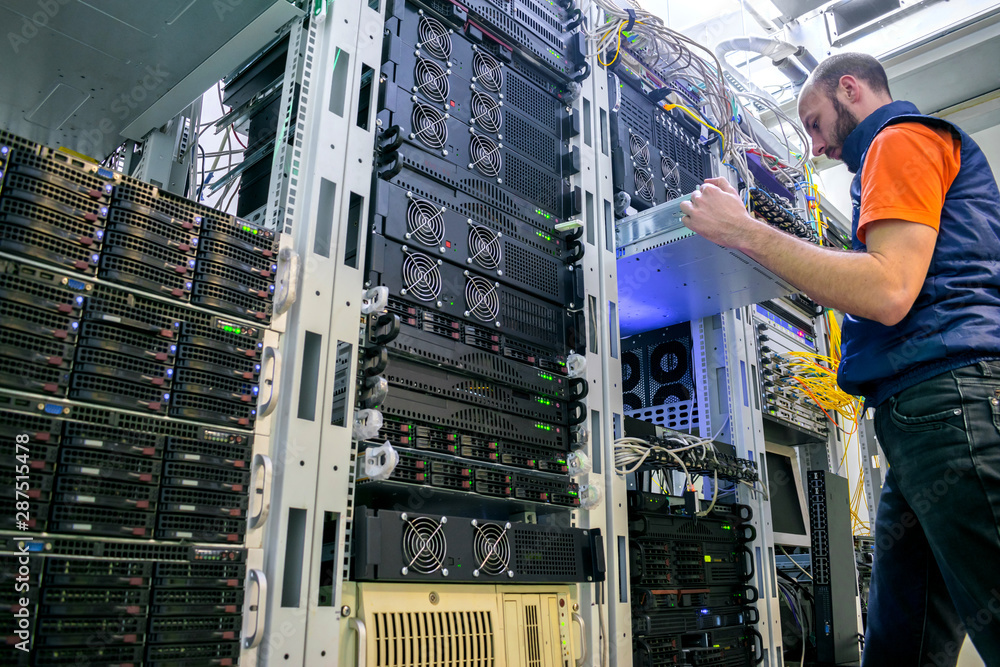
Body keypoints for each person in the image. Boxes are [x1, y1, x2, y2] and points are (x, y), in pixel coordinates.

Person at [680, 52, 1000, 666]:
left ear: (849, 89)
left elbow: (885, 288)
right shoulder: (896, 159)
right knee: (899, 647)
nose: (817, 145)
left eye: (815, 122)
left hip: (951, 403)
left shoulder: (901, 141)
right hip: (924, 418)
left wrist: (746, 231)